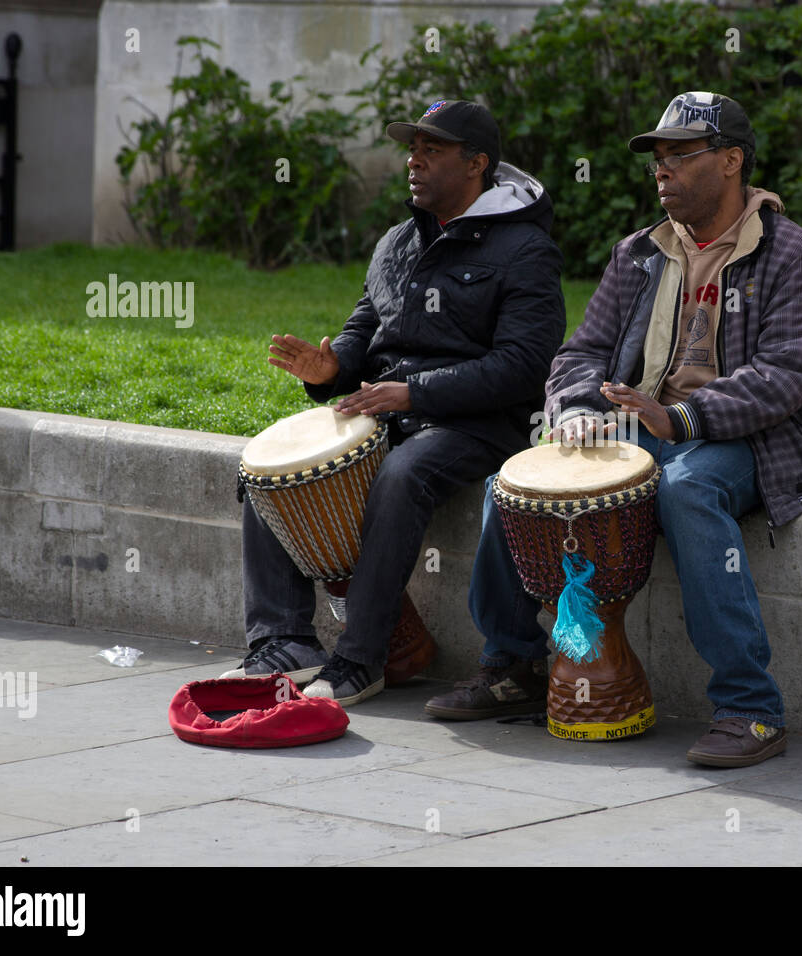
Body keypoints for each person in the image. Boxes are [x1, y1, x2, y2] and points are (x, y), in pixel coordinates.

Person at [426, 91, 802, 768]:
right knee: (515, 484)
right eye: (657, 156)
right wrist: (582, 410)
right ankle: (514, 667)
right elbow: (579, 353)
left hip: (753, 439)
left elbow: (786, 376)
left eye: (681, 155)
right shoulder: (639, 254)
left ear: (732, 161)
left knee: (686, 491)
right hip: (640, 423)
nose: (662, 169)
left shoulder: (792, 255)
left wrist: (679, 418)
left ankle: (751, 709)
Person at [225, 100, 566, 705]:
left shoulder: (525, 250)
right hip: (388, 408)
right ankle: (285, 641)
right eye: (412, 149)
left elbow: (523, 368)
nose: (414, 161)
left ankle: (362, 658)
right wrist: (331, 370)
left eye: (431, 150)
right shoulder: (396, 243)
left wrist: (417, 391)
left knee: (402, 473)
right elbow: (366, 331)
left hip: (477, 424)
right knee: (266, 471)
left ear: (477, 164)